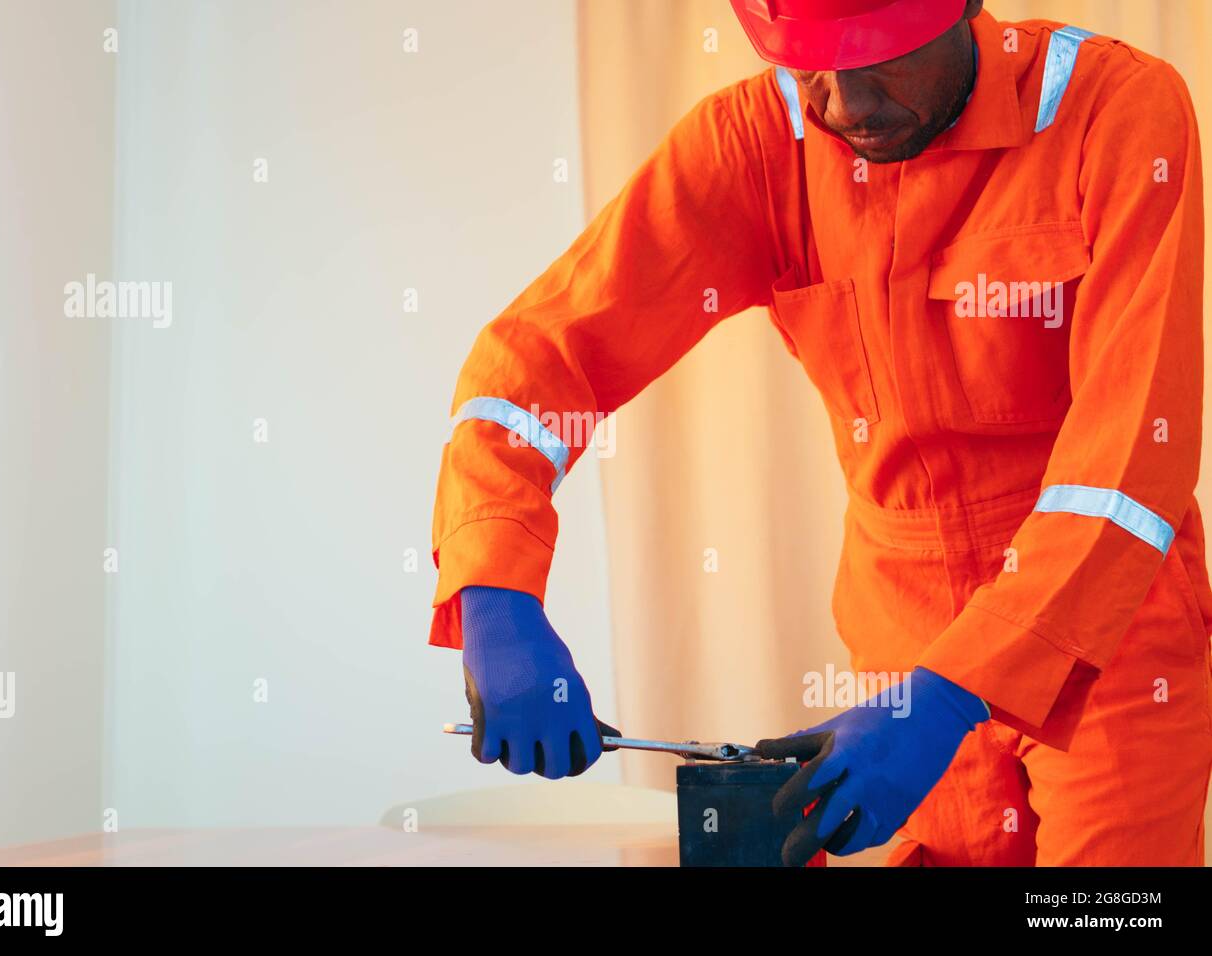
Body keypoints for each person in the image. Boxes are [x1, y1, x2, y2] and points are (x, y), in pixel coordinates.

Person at [427, 0, 1212, 866]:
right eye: (808, 68)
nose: (844, 105)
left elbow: (1130, 460)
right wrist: (495, 591)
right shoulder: (757, 144)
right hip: (897, 640)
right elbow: (539, 360)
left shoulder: (1115, 111)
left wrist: (956, 691)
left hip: (1106, 642)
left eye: (878, 60)